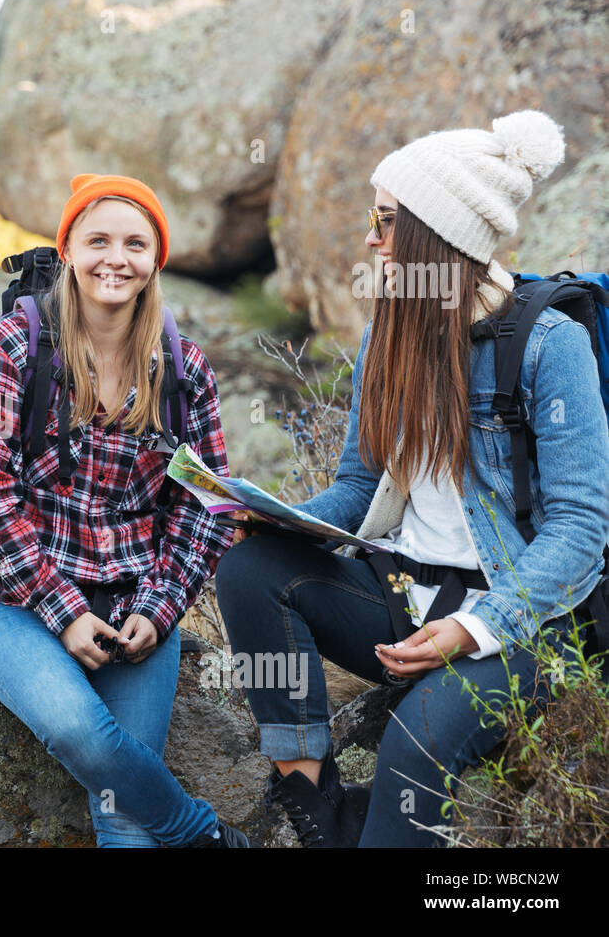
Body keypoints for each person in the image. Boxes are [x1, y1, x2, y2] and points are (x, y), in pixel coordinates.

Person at [215, 109, 609, 847]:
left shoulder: (550, 345)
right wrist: (282, 516)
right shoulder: (384, 337)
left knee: (414, 741)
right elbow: (359, 491)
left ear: (438, 233)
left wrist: (469, 630)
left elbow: (582, 530)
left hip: (524, 624)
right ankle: (316, 804)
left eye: (386, 221)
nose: (371, 237)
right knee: (250, 567)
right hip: (404, 601)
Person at [0, 173, 247, 847]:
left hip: (136, 604)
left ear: (156, 259)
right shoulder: (11, 347)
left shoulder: (183, 368)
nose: (117, 258)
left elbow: (207, 507)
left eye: (136, 243)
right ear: (70, 249)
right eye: (99, 240)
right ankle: (202, 836)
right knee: (79, 730)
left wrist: (161, 605)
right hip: (17, 603)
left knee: (119, 812)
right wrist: (65, 612)